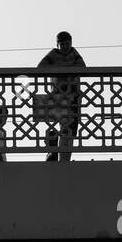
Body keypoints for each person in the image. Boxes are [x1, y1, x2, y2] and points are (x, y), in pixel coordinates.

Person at [38, 31, 85, 161]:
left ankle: (66, 159)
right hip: (59, 96)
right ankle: (62, 159)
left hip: (73, 95)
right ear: (57, 44)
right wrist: (61, 69)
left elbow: (83, 67)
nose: (65, 47)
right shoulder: (53, 54)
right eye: (62, 44)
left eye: (67, 44)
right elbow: (40, 67)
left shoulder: (73, 53)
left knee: (71, 130)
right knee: (64, 129)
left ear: (71, 43)